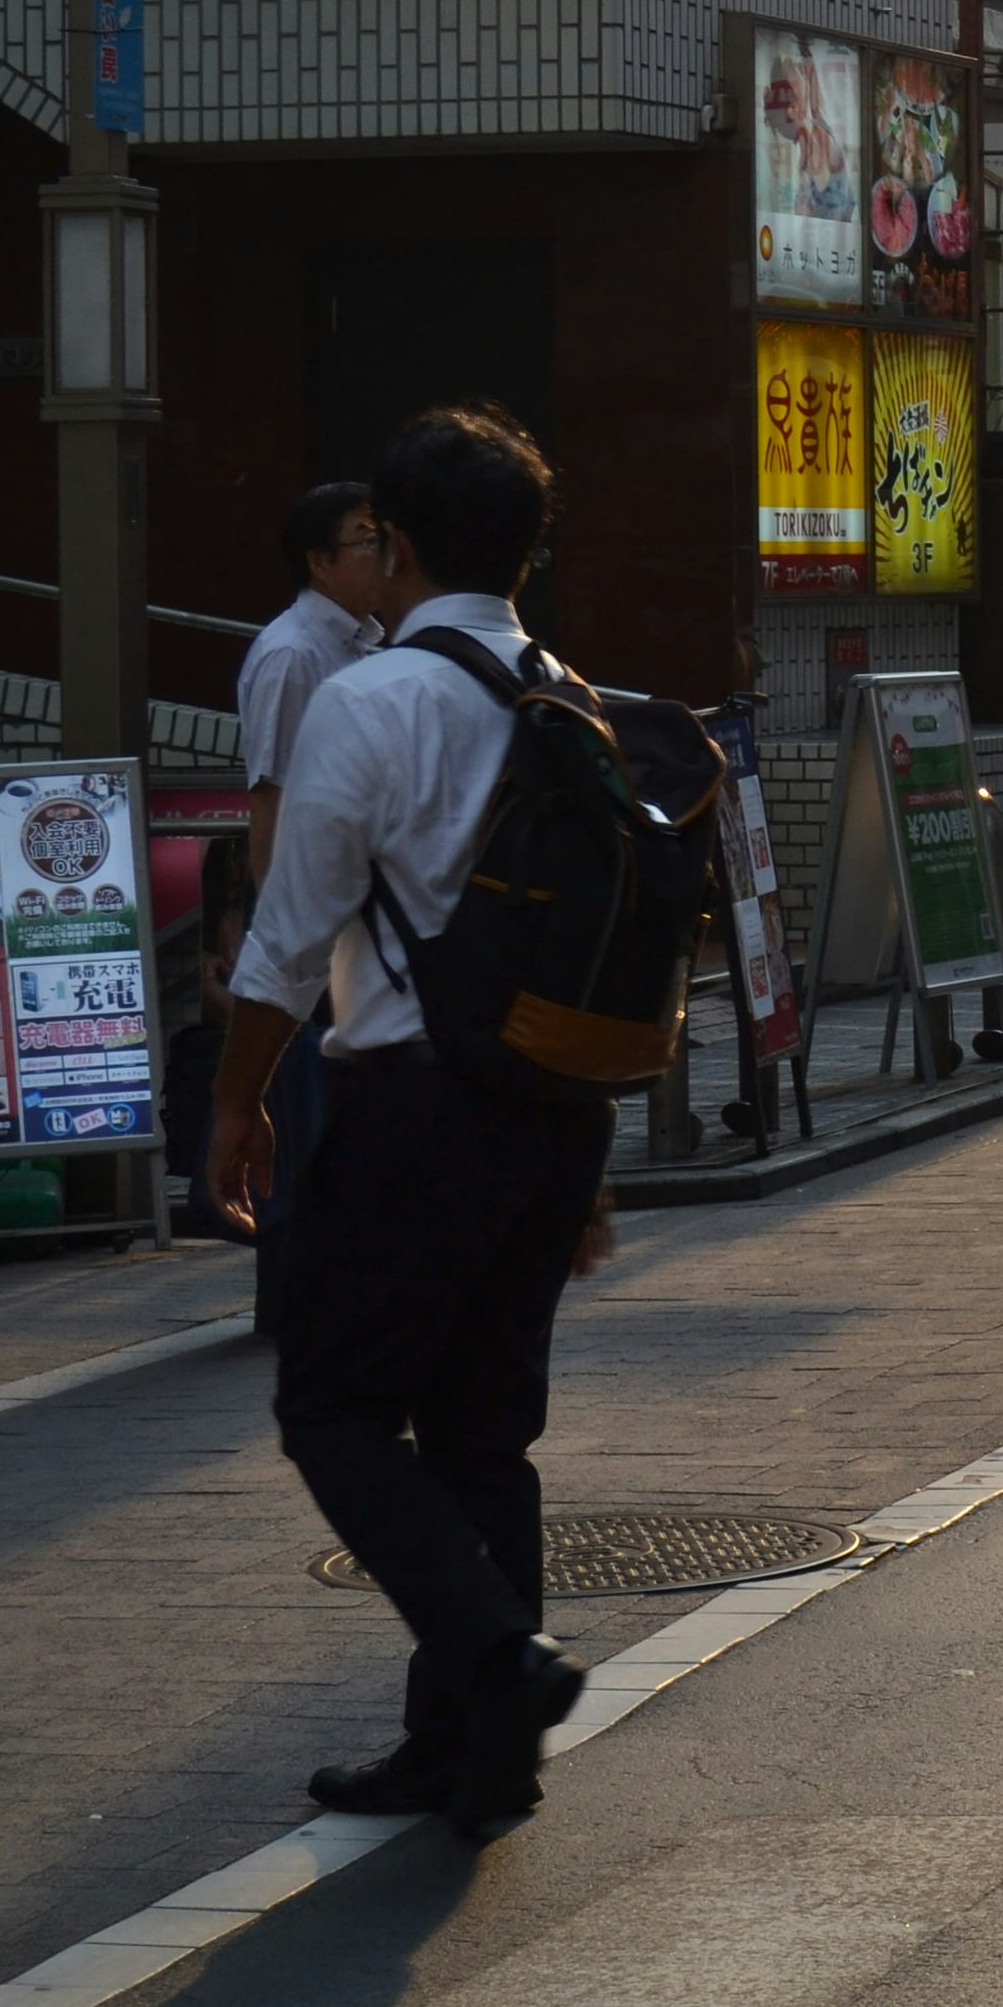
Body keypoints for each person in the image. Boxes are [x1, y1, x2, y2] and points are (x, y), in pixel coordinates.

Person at [202, 409, 616, 1844]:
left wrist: (235, 1099)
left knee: (332, 1407)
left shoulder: (372, 705)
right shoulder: (571, 697)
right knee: (484, 1430)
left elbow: (287, 936)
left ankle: (499, 1662)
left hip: (410, 1110)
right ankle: (471, 1758)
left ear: (394, 541)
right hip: (552, 1115)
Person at [204, 483, 389, 1224]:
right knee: (304, 1120)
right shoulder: (291, 655)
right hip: (315, 925)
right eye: (364, 539)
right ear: (320, 561)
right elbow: (270, 799)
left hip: (356, 918)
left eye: (384, 536)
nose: (382, 554)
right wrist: (281, 929)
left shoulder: (373, 640)